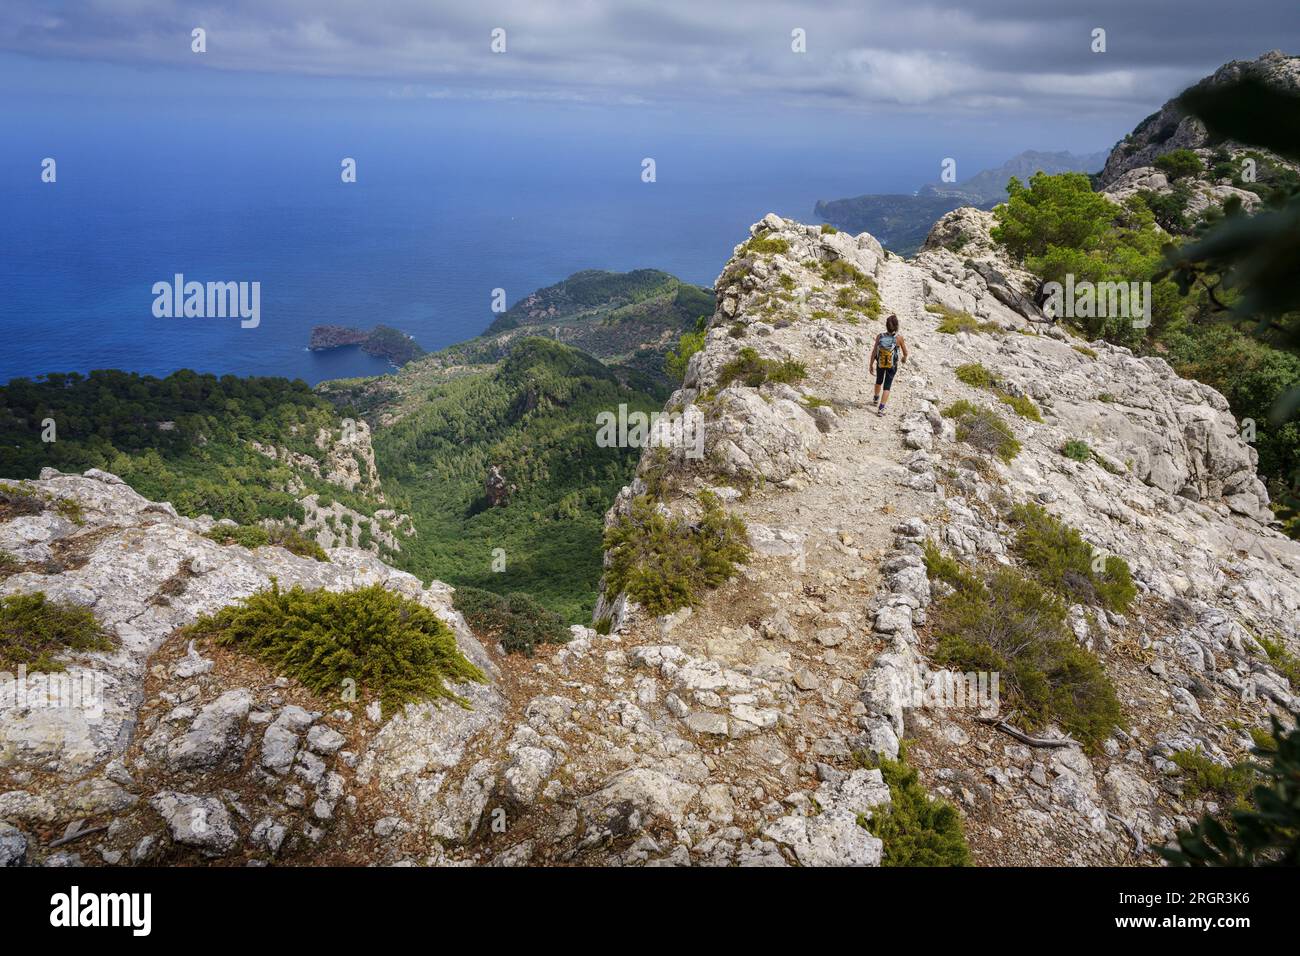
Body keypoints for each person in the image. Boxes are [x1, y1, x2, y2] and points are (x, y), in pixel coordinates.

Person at [869, 314, 908, 416]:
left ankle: (876, 398)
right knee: (887, 386)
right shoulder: (899, 338)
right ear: (896, 326)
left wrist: (871, 364)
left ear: (886, 325)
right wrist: (904, 359)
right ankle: (881, 409)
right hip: (892, 365)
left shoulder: (880, 336)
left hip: (880, 363)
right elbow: (905, 353)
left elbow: (874, 351)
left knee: (878, 381)